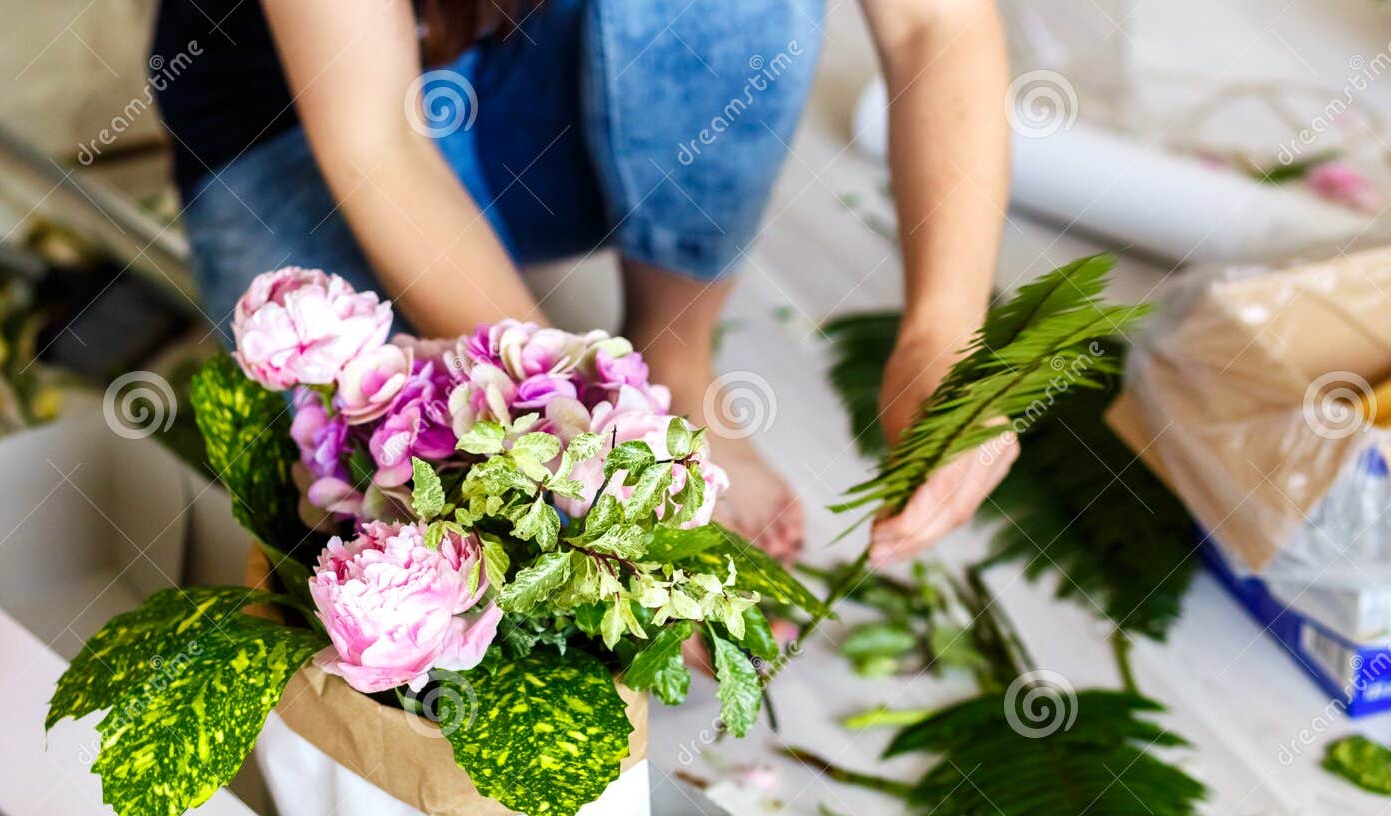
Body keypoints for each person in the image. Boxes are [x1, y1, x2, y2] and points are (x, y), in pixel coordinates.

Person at [152, 0, 1011, 565]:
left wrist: (944, 333)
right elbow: (378, 140)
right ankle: (623, 402)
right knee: (362, 510)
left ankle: (677, 356)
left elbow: (935, 26)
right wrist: (606, 437)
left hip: (525, 64)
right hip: (300, 119)